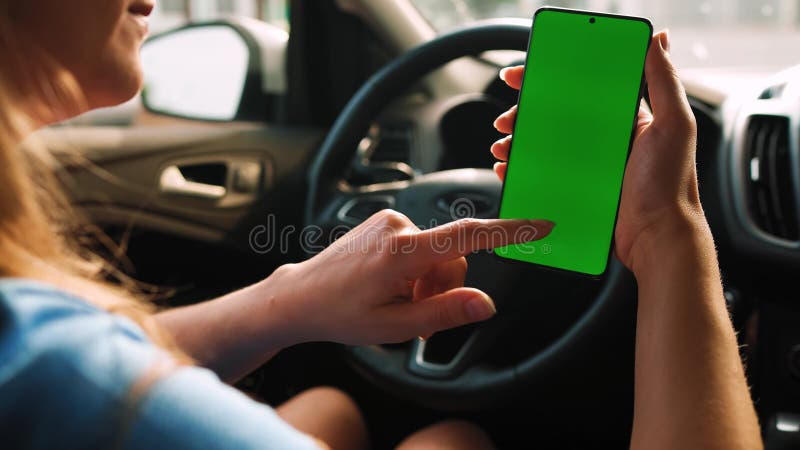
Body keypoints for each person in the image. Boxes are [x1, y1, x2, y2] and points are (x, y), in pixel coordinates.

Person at [0, 1, 761, 449]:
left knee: (337, 408)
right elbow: (78, 372)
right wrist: (670, 237)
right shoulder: (46, 365)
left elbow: (97, 368)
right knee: (454, 439)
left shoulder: (33, 339)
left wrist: (290, 298)